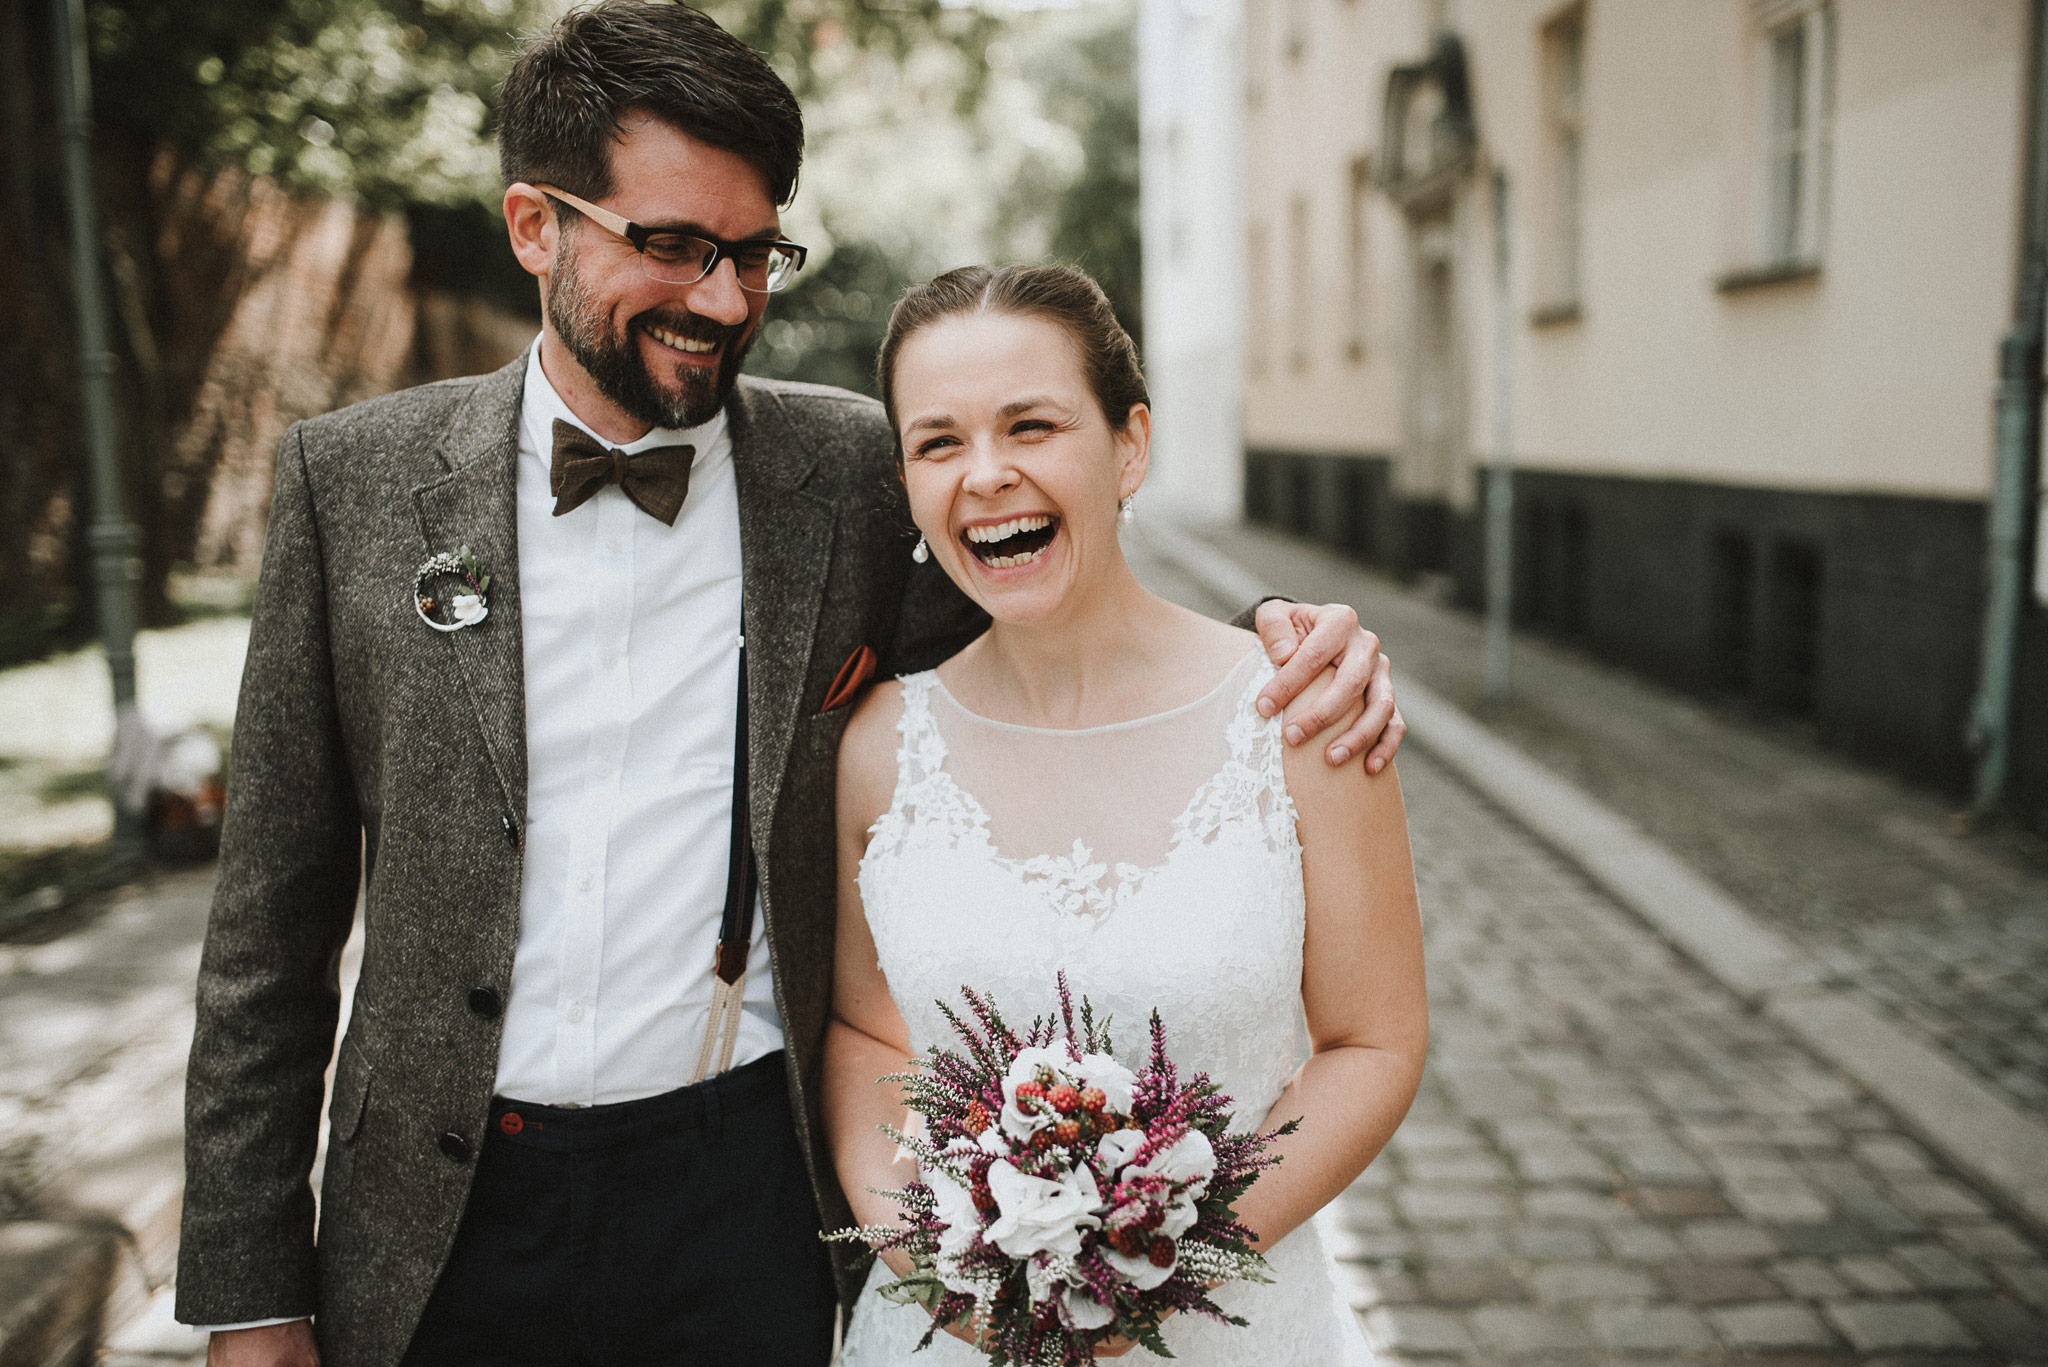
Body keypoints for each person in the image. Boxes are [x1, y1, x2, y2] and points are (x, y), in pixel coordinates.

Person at [172, 6, 1408, 1367]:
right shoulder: (348, 483)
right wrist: (250, 1292)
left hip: (750, 1200)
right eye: (672, 245)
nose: (722, 296)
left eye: (752, 251)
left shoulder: (860, 474)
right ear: (536, 226)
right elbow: (266, 934)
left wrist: (1283, 648)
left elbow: (1054, 610)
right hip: (441, 1213)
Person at [826, 264, 1429, 1364]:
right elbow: (867, 1029)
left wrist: (1152, 1263)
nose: (986, 475)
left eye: (1031, 424)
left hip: (1225, 1323)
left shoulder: (1298, 712)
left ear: (1129, 445)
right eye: (938, 442)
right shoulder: (876, 744)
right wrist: (927, 1253)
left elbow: (1372, 1040)